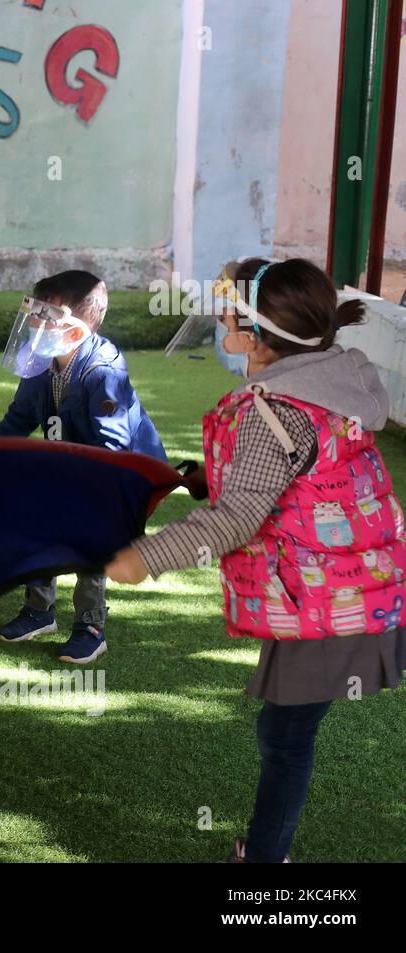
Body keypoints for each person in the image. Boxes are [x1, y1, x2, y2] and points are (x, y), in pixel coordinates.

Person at [106, 258, 405, 862]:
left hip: (325, 598)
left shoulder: (274, 411)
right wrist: (205, 479)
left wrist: (145, 559)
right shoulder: (331, 379)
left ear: (258, 332)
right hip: (351, 584)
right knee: (288, 731)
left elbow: (241, 518)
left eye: (230, 308)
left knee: (286, 737)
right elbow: (301, 478)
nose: (220, 315)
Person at [0, 270, 167, 663]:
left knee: (90, 538)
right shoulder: (39, 361)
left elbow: (114, 446)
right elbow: (18, 420)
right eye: (33, 312)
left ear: (73, 328)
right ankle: (39, 611)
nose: (35, 323)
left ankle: (90, 625)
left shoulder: (102, 371)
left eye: (45, 316)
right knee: (40, 523)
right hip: (73, 463)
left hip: (121, 470)